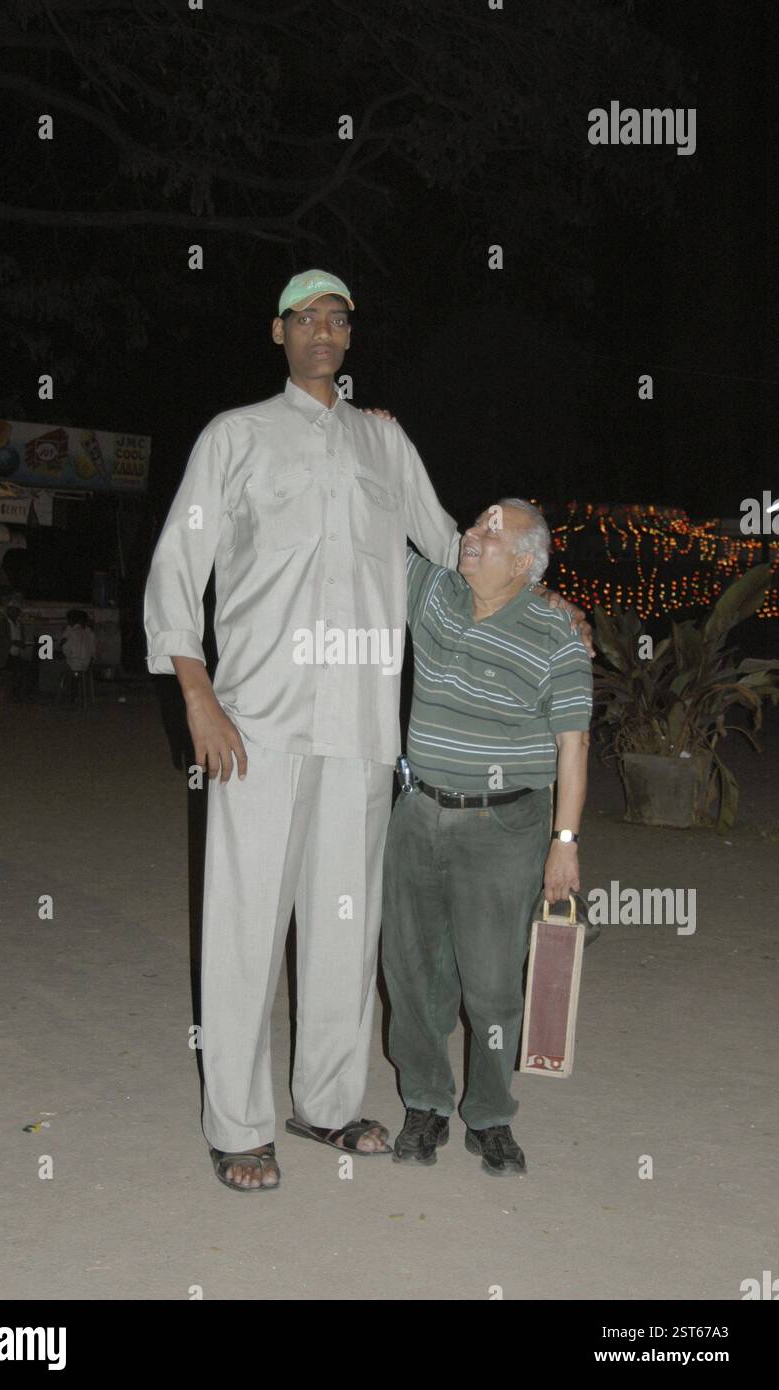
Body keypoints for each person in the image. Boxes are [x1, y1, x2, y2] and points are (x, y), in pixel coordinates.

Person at [144, 269, 590, 1192]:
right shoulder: (235, 437)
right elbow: (177, 571)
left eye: (336, 318)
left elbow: (452, 546)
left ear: (349, 338)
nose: (320, 330)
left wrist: (555, 608)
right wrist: (197, 697)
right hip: (254, 723)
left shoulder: (385, 445)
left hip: (360, 732)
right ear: (278, 332)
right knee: (244, 927)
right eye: (304, 316)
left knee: (346, 929)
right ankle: (238, 1124)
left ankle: (328, 1102)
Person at [382, 500, 592, 1174]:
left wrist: (565, 840)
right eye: (474, 525)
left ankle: (491, 1116)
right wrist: (380, 432)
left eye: (492, 533)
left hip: (504, 826)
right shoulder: (434, 592)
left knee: (493, 983)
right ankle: (425, 1102)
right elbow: (386, 519)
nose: (472, 535)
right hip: (418, 813)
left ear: (528, 563)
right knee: (413, 974)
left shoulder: (556, 631)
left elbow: (573, 744)